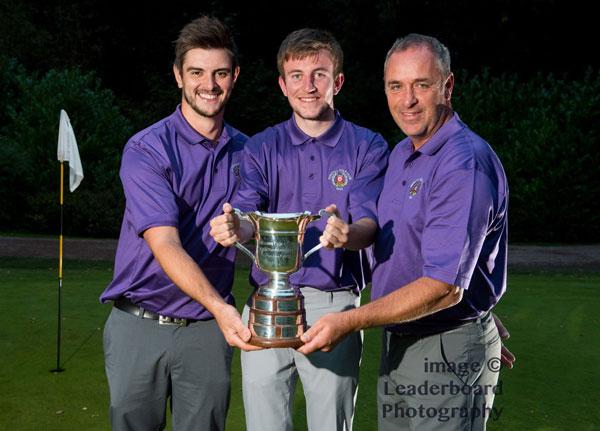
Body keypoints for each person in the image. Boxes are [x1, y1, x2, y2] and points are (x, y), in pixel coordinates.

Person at [299, 33, 514, 430]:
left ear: (447, 86)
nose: (407, 100)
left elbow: (444, 286)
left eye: (421, 85)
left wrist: (349, 321)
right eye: (396, 86)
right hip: (402, 340)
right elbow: (422, 250)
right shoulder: (402, 153)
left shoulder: (462, 164)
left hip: (444, 345)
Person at [210, 28, 389, 431]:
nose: (308, 86)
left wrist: (347, 235)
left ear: (337, 82)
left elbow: (369, 223)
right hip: (266, 303)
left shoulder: (368, 145)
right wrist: (235, 226)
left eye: (319, 75)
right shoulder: (261, 146)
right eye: (297, 76)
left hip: (334, 305)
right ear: (282, 85)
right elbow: (248, 211)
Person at [99, 16, 257, 431]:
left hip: (206, 331)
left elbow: (257, 223)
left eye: (220, 73)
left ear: (235, 76)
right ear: (178, 76)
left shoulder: (250, 153)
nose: (209, 84)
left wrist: (246, 227)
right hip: (140, 322)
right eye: (197, 72)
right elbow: (165, 243)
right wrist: (222, 308)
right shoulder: (146, 149)